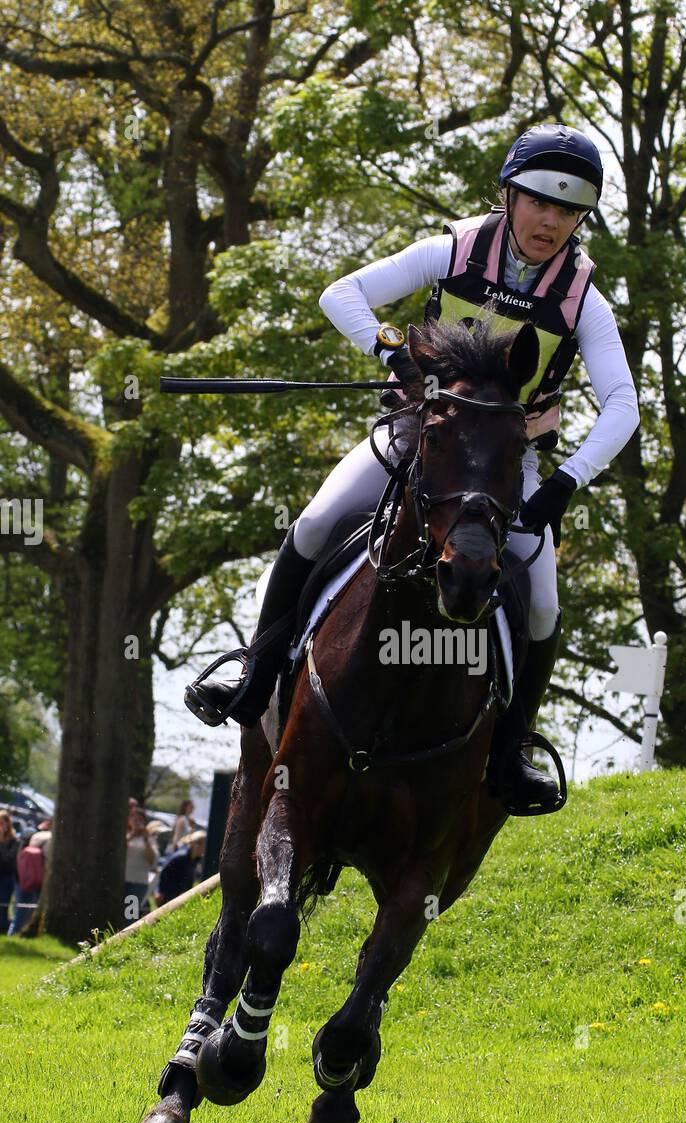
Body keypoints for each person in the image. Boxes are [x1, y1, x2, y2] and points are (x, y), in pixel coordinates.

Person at [185, 124, 640, 813]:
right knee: (314, 524)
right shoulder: (450, 252)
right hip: (416, 440)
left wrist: (566, 480)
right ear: (508, 197)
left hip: (503, 471)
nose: (552, 222)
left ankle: (513, 749)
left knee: (542, 601)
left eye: (570, 211)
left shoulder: (582, 299)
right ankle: (256, 670)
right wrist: (392, 350)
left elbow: (623, 405)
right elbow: (341, 295)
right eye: (540, 203)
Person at [155, 829, 206, 905]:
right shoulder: (181, 856)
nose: (204, 849)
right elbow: (164, 871)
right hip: (167, 894)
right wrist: (160, 891)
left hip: (179, 895)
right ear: (195, 844)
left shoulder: (195, 859)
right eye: (204, 845)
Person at [124, 807, 156, 922]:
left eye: (140, 820)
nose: (137, 822)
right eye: (134, 818)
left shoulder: (149, 838)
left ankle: (126, 937)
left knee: (130, 914)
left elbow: (152, 860)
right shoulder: (125, 835)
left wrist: (146, 839)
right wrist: (132, 834)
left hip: (138, 881)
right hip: (122, 880)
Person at [0, 810, 20, 932]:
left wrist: (1, 842)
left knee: (3, 904)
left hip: (7, 876)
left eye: (3, 823)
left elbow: (8, 859)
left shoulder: (15, 841)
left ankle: (2, 928)